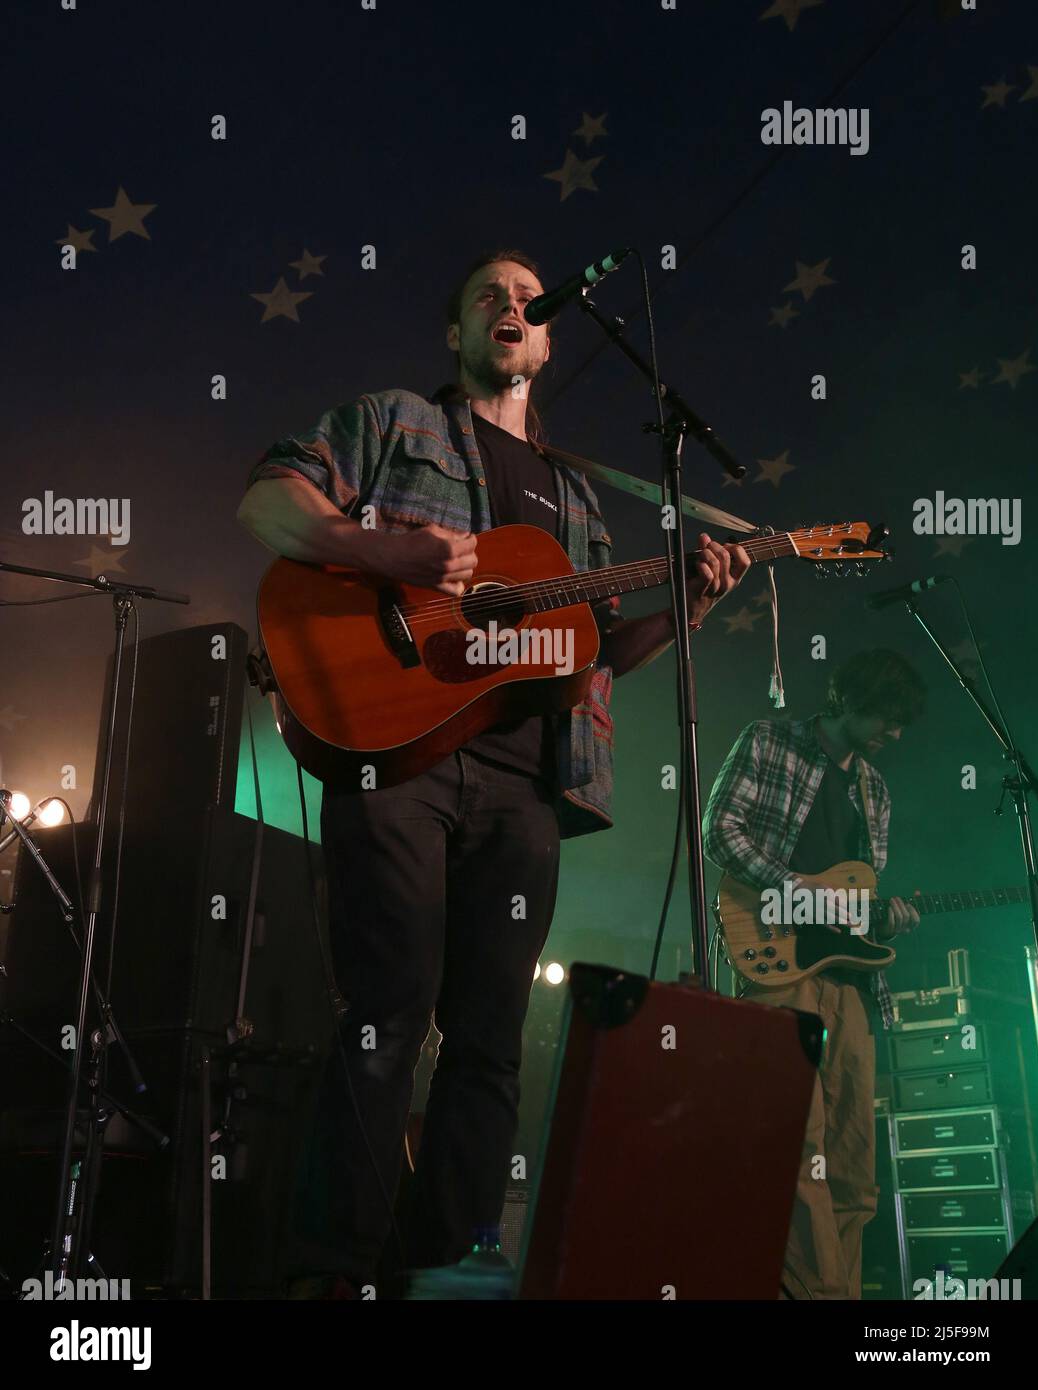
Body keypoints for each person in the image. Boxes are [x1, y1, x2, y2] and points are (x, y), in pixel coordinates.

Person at [238, 248, 750, 1295]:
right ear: (458, 334)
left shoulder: (576, 498)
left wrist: (687, 614)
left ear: (550, 338)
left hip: (525, 791)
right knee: (384, 1015)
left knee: (489, 1043)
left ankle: (440, 1268)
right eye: (488, 297)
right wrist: (382, 555)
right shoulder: (396, 423)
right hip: (399, 766)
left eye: (528, 300)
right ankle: (327, 1273)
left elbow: (590, 650)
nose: (511, 307)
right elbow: (265, 502)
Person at [703, 648, 927, 1299]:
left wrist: (884, 919)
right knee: (802, 1148)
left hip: (851, 981)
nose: (896, 732)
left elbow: (857, 901)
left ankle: (842, 1293)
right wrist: (795, 886)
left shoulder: (875, 789)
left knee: (856, 1168)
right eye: (888, 715)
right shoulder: (771, 741)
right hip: (779, 961)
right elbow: (720, 830)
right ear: (851, 699)